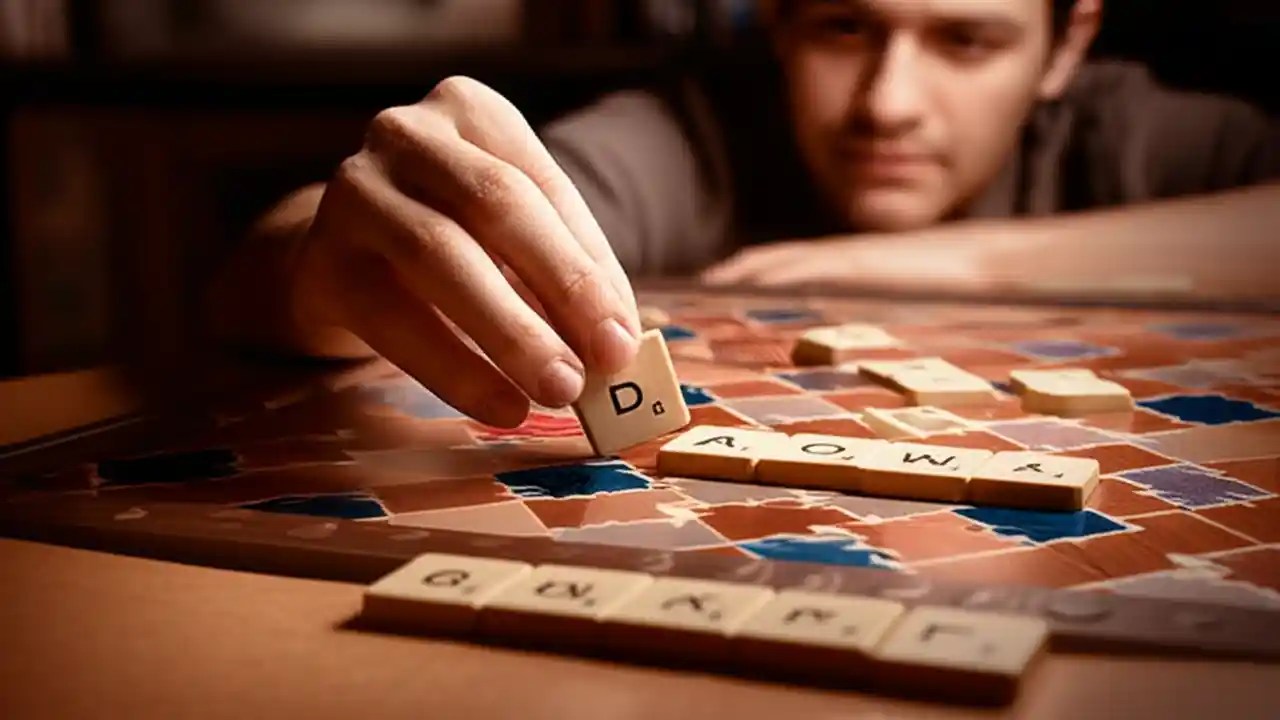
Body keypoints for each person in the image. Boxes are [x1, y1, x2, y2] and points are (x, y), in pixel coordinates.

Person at [208, 0, 1279, 429]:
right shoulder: (691, 137)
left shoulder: (1140, 132)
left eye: (964, 40)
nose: (888, 105)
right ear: (775, 23)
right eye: (843, 27)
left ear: (1067, 44)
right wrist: (319, 259)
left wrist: (947, 264)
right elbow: (279, 262)